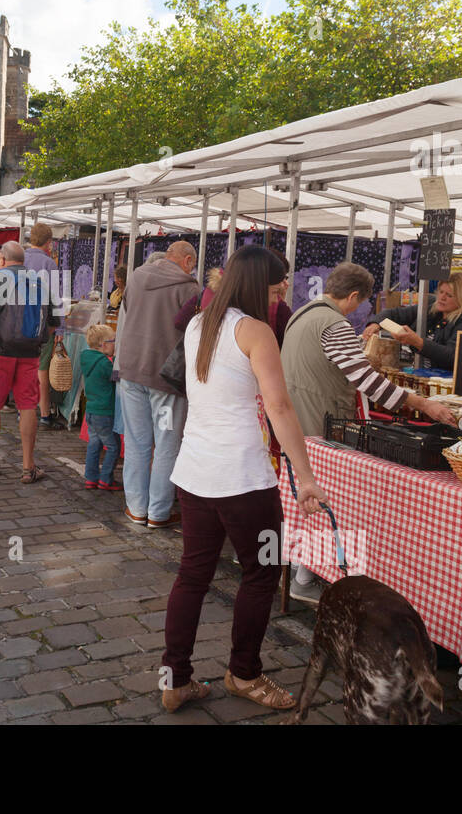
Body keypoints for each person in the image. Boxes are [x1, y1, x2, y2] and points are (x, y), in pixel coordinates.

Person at [160, 245, 327, 714]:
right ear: (262, 287)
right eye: (277, 288)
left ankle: (175, 678)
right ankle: (244, 672)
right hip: (241, 476)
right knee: (261, 572)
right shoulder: (254, 331)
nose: (280, 296)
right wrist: (306, 476)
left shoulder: (199, 323)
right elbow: (279, 406)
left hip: (195, 468)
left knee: (193, 573)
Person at [282, 261, 457, 604]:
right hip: (319, 423)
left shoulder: (302, 313)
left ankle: (293, 567)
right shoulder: (335, 325)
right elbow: (367, 382)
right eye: (362, 303)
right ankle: (304, 577)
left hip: (295, 419)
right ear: (353, 297)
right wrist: (422, 404)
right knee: (323, 503)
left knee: (301, 499)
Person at [116, 241, 201, 528]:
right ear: (187, 260)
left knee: (138, 443)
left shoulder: (137, 276)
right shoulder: (189, 287)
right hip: (165, 379)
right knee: (166, 444)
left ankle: (137, 508)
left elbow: (127, 309)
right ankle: (158, 512)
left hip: (131, 371)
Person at [0, 241, 54, 484]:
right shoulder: (40, 282)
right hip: (30, 352)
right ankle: (28, 466)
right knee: (28, 405)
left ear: (2, 259)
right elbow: (53, 321)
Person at [362, 270, 462, 370]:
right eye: (441, 292)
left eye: (449, 295)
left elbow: (452, 355)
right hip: (423, 374)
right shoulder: (430, 306)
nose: (442, 297)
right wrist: (375, 323)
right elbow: (396, 314)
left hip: (446, 383)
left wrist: (417, 342)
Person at [23, 223, 65, 430]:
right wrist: (61, 327)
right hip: (42, 323)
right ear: (49, 242)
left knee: (24, 368)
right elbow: (55, 298)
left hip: (19, 322)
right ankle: (45, 414)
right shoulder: (49, 263)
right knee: (41, 370)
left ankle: (25, 409)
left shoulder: (20, 259)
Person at [81, 323, 120, 491]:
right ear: (103, 345)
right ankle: (106, 479)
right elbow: (117, 377)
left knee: (94, 444)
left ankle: (91, 478)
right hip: (104, 412)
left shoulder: (86, 359)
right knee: (113, 446)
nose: (115, 344)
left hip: (91, 411)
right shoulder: (104, 363)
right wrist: (118, 361)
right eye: (113, 341)